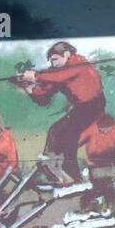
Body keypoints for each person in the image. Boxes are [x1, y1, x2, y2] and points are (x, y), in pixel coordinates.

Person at [19, 41, 105, 173]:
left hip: (94, 104)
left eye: (55, 59)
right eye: (51, 61)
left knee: (67, 133)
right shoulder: (57, 71)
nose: (53, 64)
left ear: (66, 54)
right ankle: (53, 167)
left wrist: (35, 76)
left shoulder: (78, 62)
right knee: (56, 131)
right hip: (82, 107)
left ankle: (70, 173)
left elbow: (59, 77)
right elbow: (44, 98)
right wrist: (30, 89)